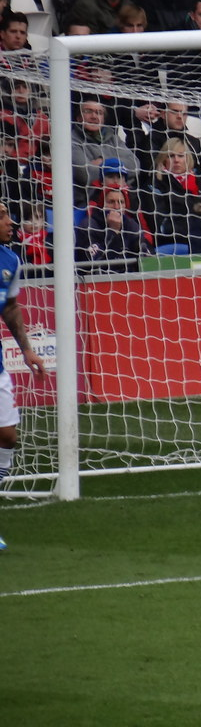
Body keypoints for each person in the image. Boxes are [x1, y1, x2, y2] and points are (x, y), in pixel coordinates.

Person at [0, 201, 47, 550]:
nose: (10, 221)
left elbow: (11, 306)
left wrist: (27, 348)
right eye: (1, 215)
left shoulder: (10, 261)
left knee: (7, 438)